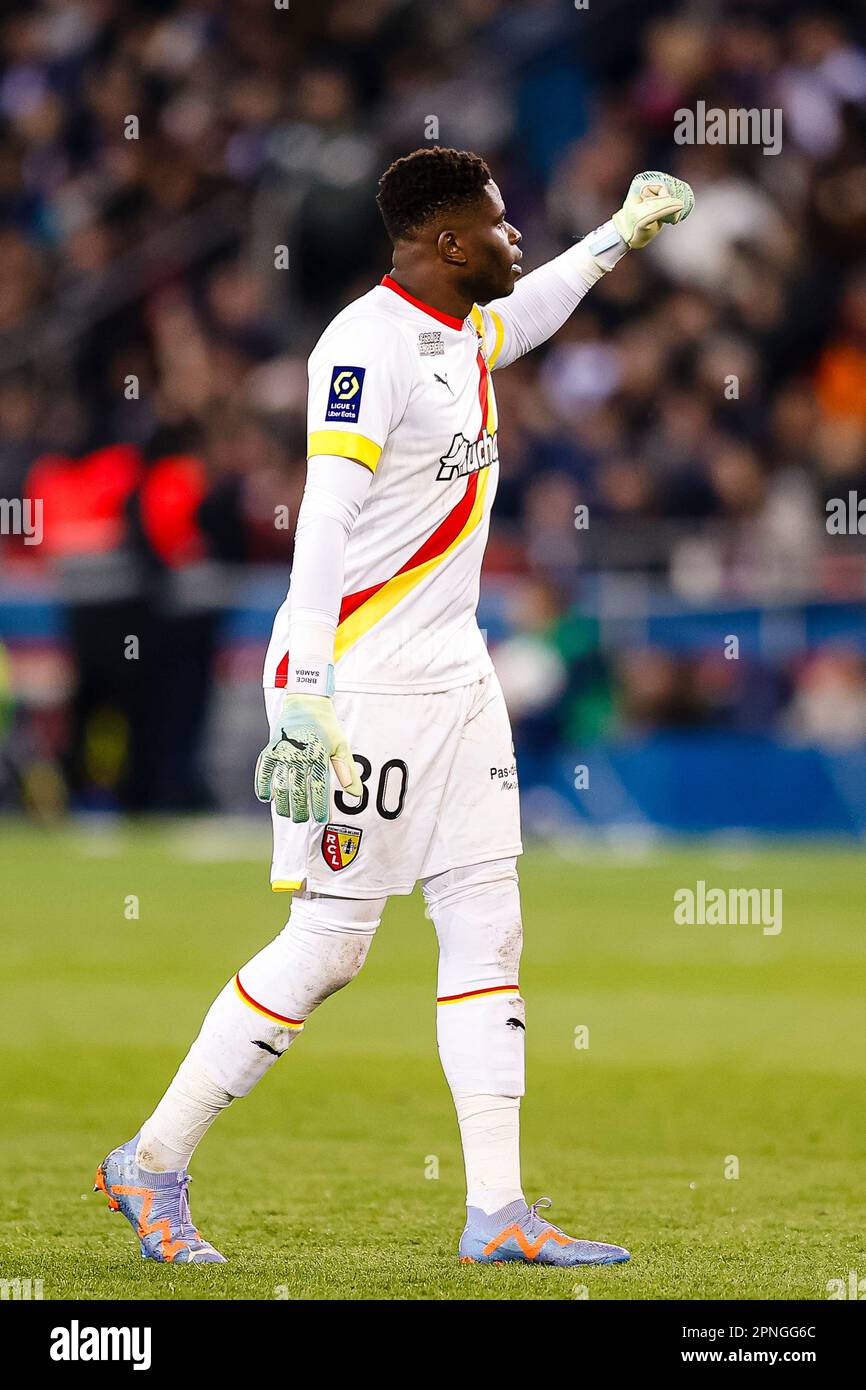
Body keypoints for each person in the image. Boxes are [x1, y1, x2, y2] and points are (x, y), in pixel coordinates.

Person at [95, 150, 693, 1266]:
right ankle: (151, 1162)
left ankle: (498, 1211)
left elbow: (538, 312)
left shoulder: (460, 331)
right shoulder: (365, 346)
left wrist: (617, 235)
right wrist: (305, 695)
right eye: (502, 224)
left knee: (487, 915)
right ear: (448, 242)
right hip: (359, 683)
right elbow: (322, 522)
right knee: (328, 943)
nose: (518, 237)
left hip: (458, 680)